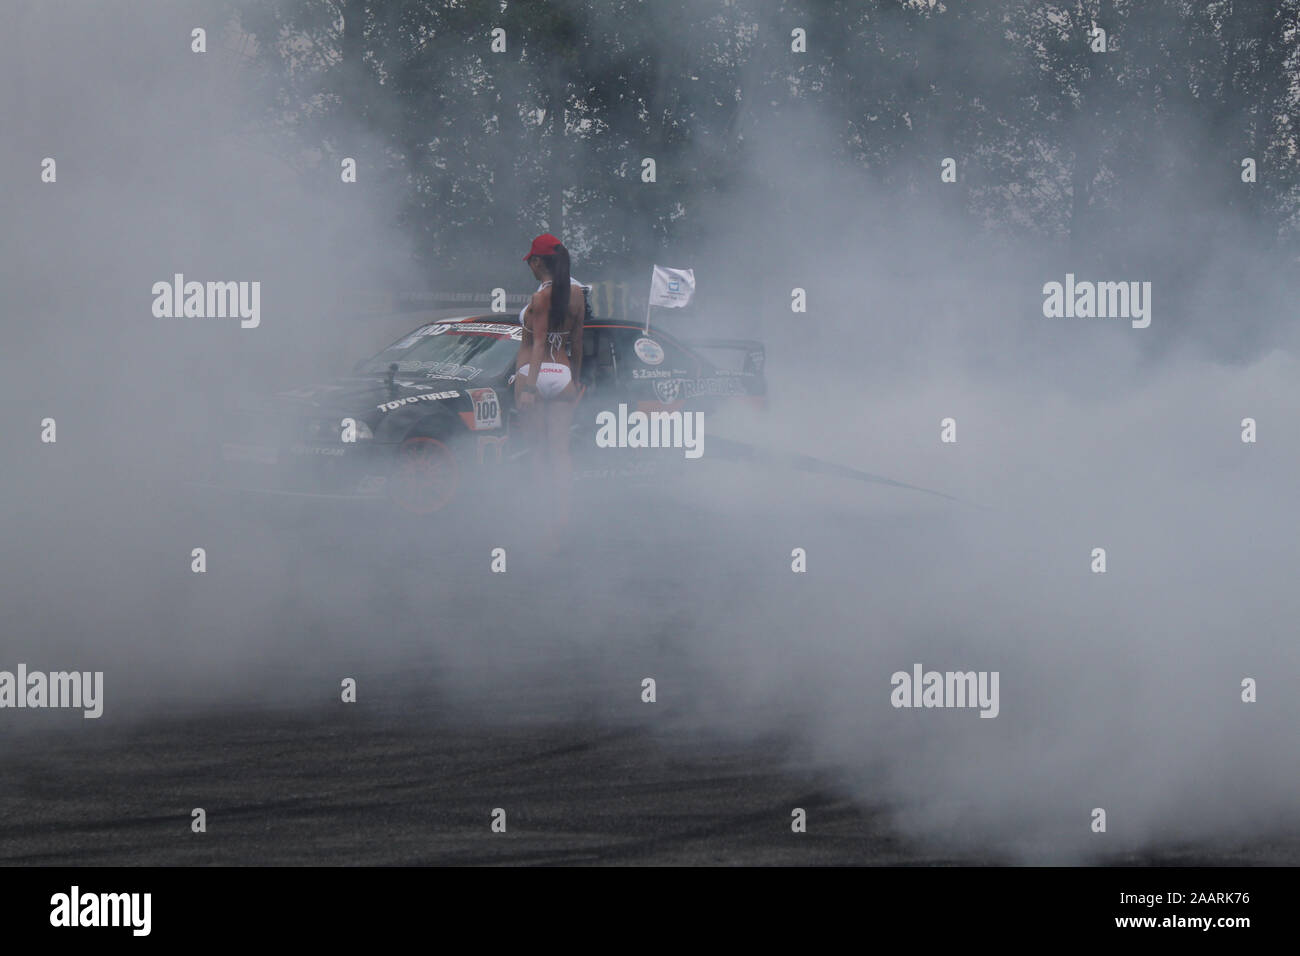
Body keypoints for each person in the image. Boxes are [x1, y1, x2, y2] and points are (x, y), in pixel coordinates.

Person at [515, 233, 586, 532]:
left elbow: (537, 345)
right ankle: (564, 516)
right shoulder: (577, 293)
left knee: (537, 451)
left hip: (535, 373)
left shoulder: (539, 298)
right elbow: (579, 342)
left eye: (531, 261)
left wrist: (529, 388)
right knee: (560, 451)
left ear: (537, 262)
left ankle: (540, 513)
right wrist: (577, 381)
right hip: (563, 375)